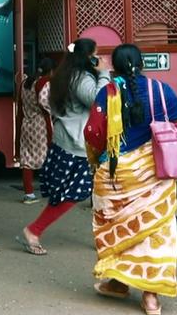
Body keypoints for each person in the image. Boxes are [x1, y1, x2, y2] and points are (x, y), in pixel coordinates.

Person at [84, 44, 177, 315]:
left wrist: (95, 159)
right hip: (156, 174)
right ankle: (149, 297)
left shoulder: (109, 93)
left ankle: (118, 281)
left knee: (120, 229)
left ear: (114, 67)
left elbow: (93, 133)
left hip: (117, 176)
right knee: (153, 232)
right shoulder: (162, 92)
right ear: (142, 64)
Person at [17, 38, 109, 255]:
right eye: (95, 55)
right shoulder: (81, 78)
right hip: (78, 145)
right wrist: (104, 73)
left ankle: (104, 236)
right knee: (76, 192)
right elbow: (98, 99)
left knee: (93, 191)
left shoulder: (63, 74)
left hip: (65, 140)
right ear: (88, 57)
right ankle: (34, 230)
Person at [17, 57, 56, 204]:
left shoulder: (25, 83)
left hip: (26, 124)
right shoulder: (44, 83)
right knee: (47, 158)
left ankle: (29, 194)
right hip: (40, 125)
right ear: (50, 70)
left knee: (27, 159)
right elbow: (46, 104)